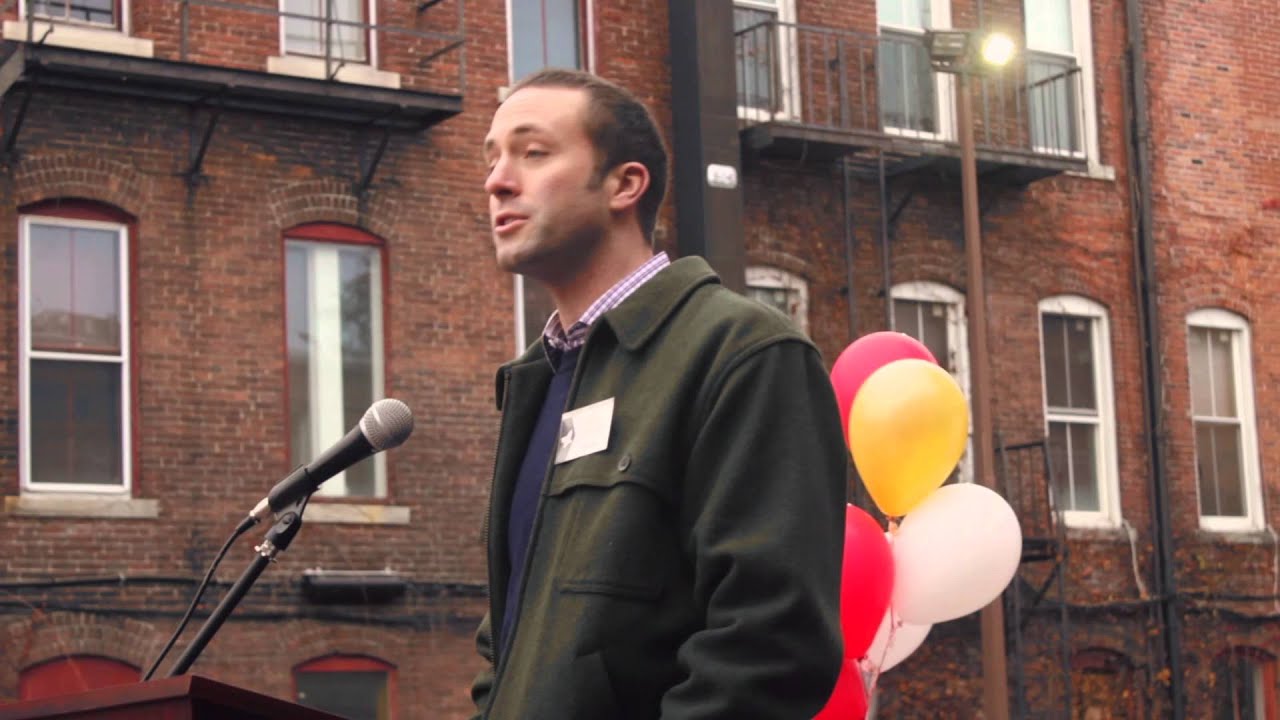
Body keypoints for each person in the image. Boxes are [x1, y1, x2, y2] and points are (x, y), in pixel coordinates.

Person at [472, 67, 847, 719]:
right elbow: (507, 650)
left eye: (533, 153)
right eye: (494, 156)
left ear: (625, 184)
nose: (498, 180)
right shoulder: (537, 378)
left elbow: (768, 649)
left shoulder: (742, 353)